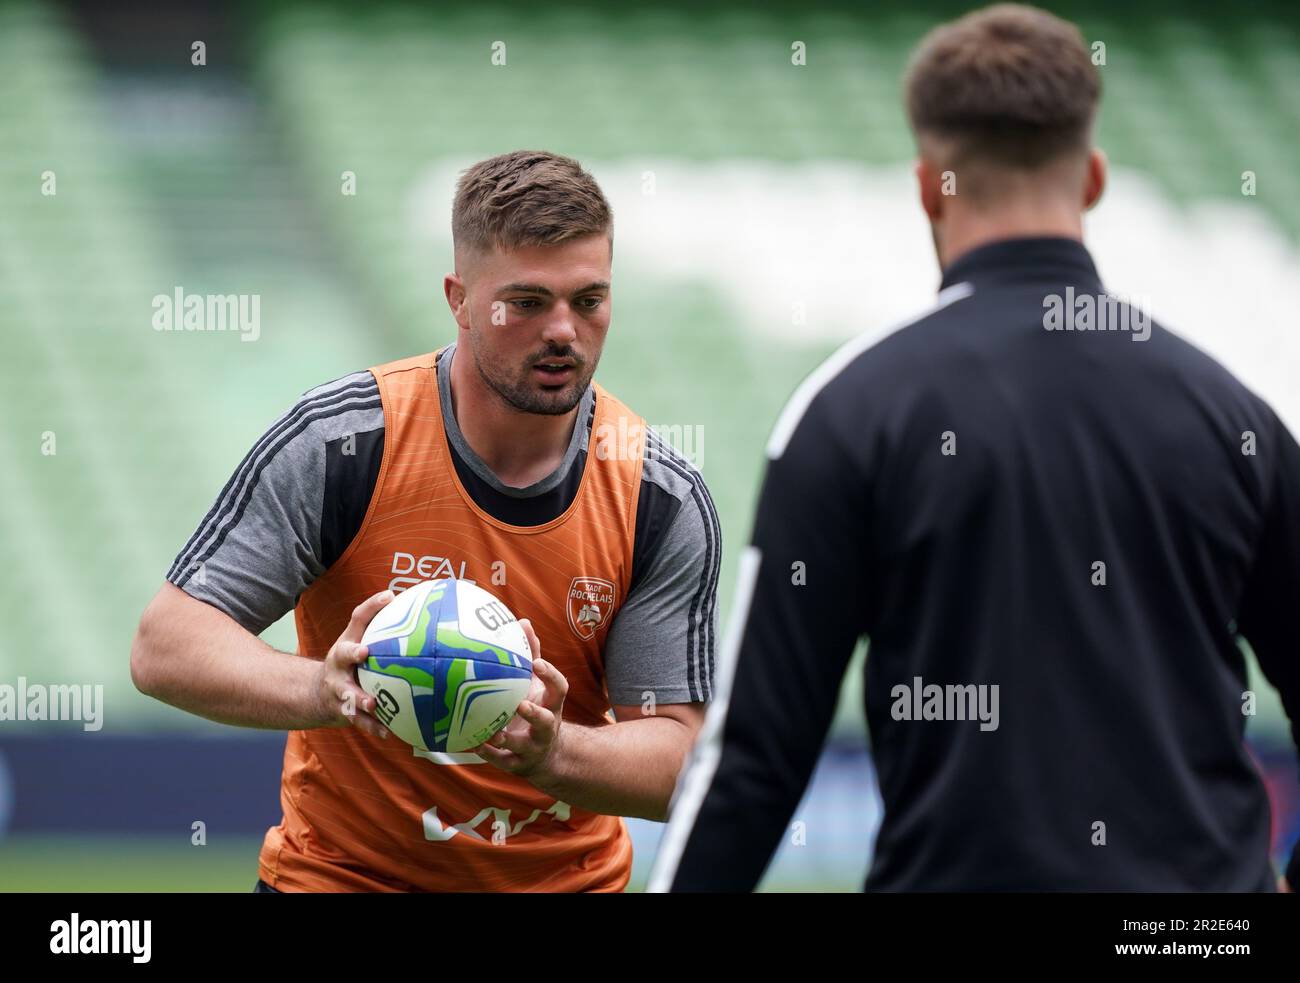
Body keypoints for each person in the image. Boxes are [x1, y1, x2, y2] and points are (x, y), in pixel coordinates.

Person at [650, 4, 1300, 892]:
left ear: (928, 188)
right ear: (1096, 179)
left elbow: (754, 759)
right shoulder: (1236, 414)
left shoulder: (850, 410)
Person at [131, 150, 719, 892]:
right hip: (339, 879)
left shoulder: (654, 494)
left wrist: (553, 752)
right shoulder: (343, 442)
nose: (564, 331)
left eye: (589, 300)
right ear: (460, 298)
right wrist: (326, 689)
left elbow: (685, 764)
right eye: (528, 302)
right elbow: (166, 645)